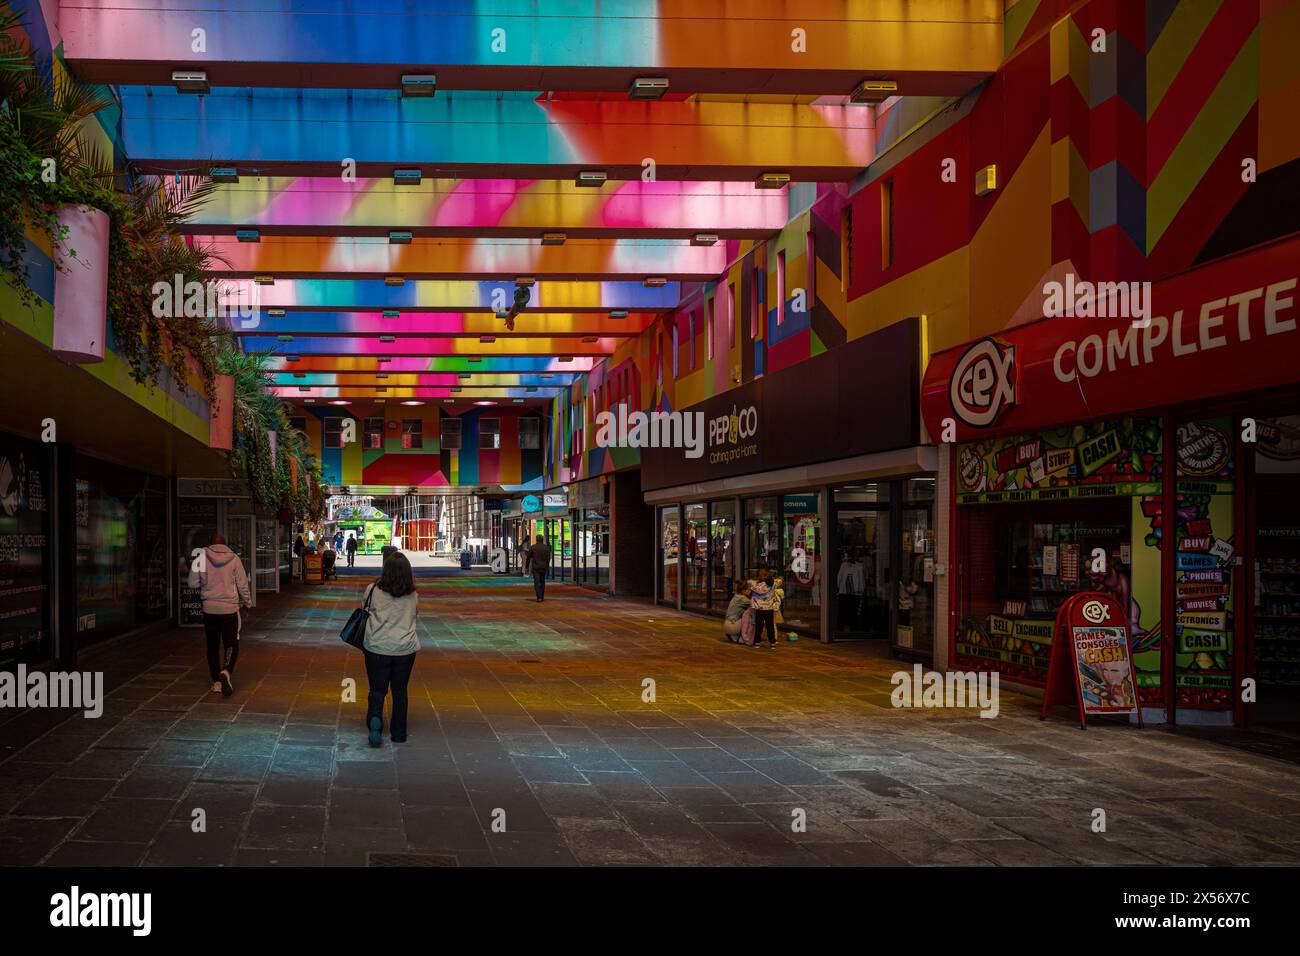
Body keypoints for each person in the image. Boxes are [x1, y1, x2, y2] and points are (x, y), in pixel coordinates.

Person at [362, 551, 420, 746]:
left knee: (377, 689)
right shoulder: (413, 596)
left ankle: (375, 721)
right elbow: (414, 616)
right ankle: (399, 733)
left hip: (377, 647)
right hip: (405, 649)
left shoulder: (372, 590)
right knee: (400, 690)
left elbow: (365, 611)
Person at [187, 532, 252, 697]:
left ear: (210, 543)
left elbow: (192, 582)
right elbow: (242, 584)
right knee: (232, 643)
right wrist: (248, 604)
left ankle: (216, 681)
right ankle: (226, 671)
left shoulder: (201, 557)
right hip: (229, 609)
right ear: (225, 544)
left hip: (209, 609)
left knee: (212, 645)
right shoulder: (234, 559)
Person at [747, 569, 778, 649]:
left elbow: (749, 582)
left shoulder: (757, 586)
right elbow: (779, 581)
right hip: (769, 609)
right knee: (770, 626)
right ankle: (772, 642)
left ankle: (757, 642)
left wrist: (752, 581)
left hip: (759, 609)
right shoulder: (773, 584)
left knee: (759, 626)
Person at [524, 535, 550, 602]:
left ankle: (539, 597)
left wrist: (526, 567)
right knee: (542, 582)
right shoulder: (546, 548)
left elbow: (528, 558)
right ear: (542, 540)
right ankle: (542, 596)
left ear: (536, 540)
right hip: (543, 567)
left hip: (535, 567)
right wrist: (547, 566)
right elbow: (548, 559)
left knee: (536, 582)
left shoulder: (533, 547)